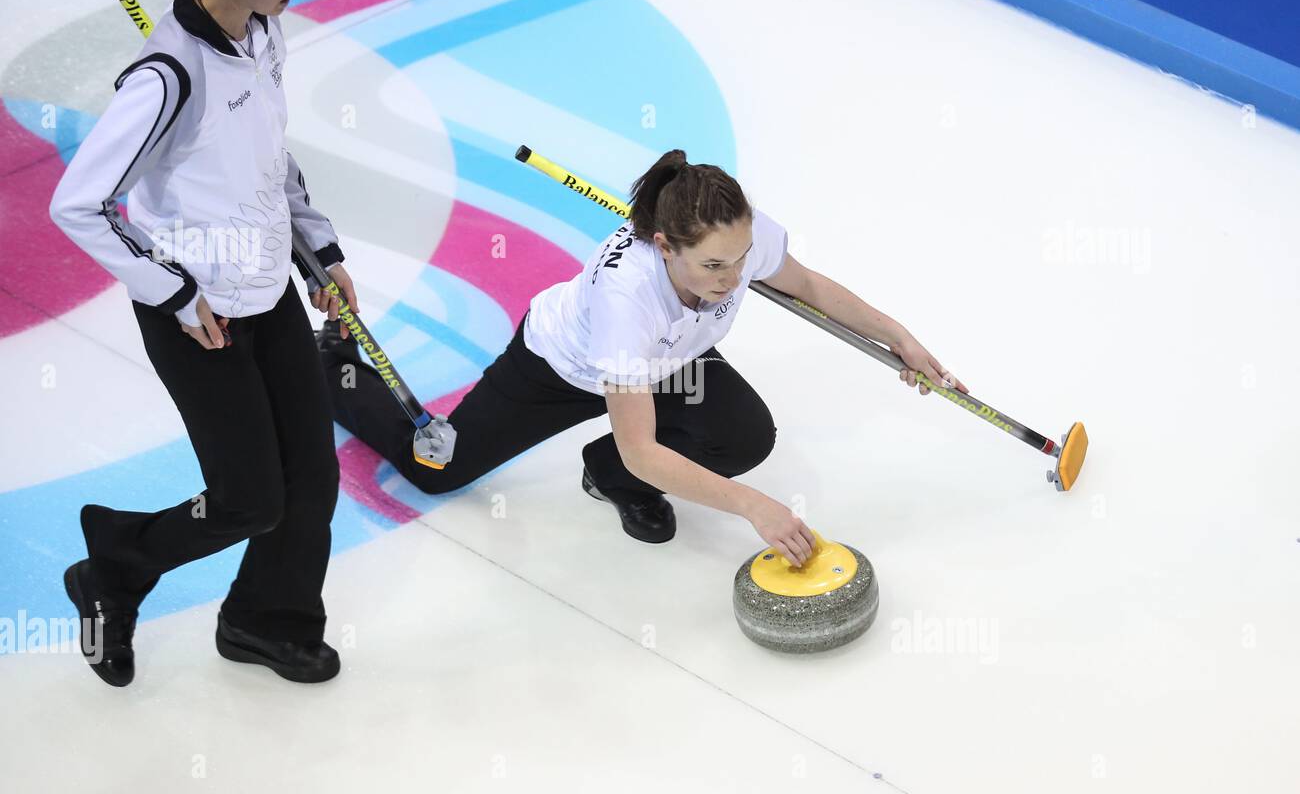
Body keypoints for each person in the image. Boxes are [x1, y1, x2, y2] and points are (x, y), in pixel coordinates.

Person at [318, 149, 968, 565]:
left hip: (671, 361)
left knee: (744, 435)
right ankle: (333, 368)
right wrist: (752, 505)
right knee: (437, 467)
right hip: (560, 367)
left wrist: (897, 335)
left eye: (741, 260)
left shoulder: (739, 236)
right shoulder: (629, 299)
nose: (734, 276)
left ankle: (605, 477)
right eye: (714, 266)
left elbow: (811, 287)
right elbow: (642, 443)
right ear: (663, 247)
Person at [49, 0, 357, 687]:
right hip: (197, 316)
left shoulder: (263, 33)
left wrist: (316, 245)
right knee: (249, 500)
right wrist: (177, 293)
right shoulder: (167, 77)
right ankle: (115, 567)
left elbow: (267, 159)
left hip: (268, 294)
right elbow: (78, 204)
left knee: (311, 482)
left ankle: (265, 619)